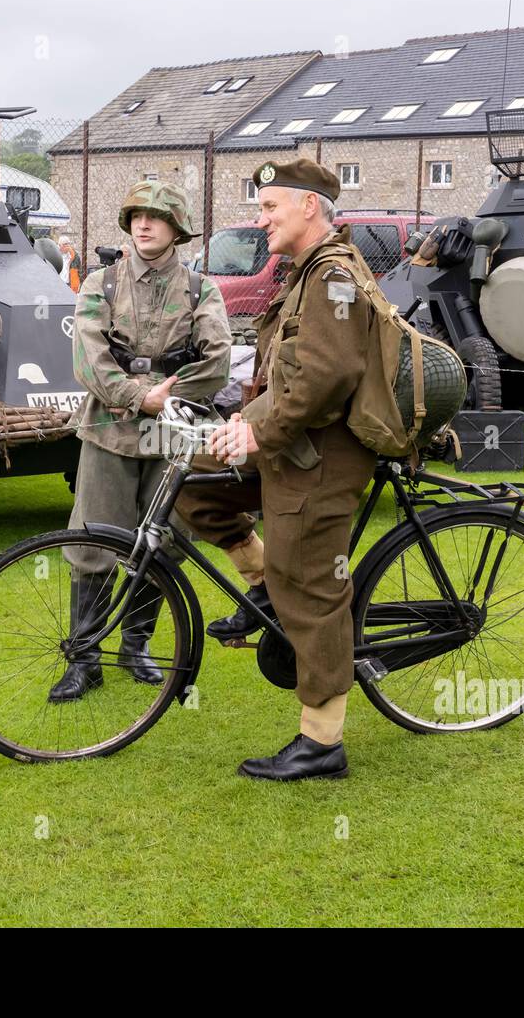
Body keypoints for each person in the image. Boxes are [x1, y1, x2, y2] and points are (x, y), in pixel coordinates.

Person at [179, 158, 378, 781]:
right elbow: (286, 370)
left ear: (308, 208)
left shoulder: (335, 276)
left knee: (311, 587)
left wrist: (257, 428)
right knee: (192, 478)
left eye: (270, 208)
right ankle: (260, 582)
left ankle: (322, 743)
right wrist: (244, 424)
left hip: (322, 455)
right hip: (290, 439)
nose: (260, 219)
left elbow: (326, 377)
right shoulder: (305, 274)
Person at [52, 180, 231, 701]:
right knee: (92, 543)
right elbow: (88, 357)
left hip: (171, 434)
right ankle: (84, 658)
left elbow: (216, 360)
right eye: (136, 215)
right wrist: (136, 395)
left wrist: (162, 397)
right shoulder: (102, 283)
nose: (144, 224)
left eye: (156, 216)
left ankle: (136, 645)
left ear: (177, 228)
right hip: (109, 431)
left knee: (167, 543)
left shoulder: (201, 289)